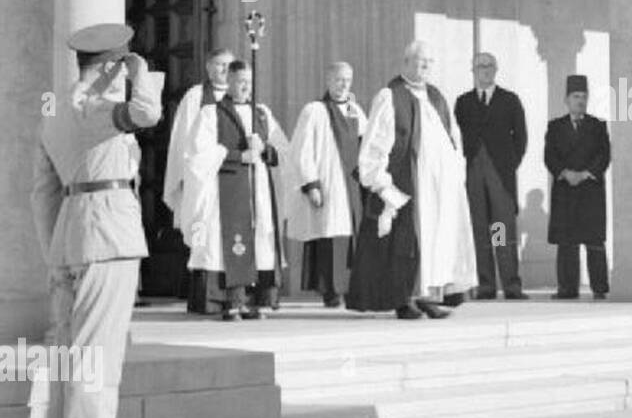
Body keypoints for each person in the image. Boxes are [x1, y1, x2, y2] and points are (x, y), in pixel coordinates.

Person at [30, 23, 163, 418]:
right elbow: (147, 113)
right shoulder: (98, 108)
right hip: (108, 235)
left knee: (71, 350)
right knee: (97, 353)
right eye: (122, 65)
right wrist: (142, 70)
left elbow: (41, 194)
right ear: (111, 66)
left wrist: (55, 249)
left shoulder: (56, 113)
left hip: (72, 233)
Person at [347, 40, 476, 319]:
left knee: (435, 240)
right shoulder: (390, 95)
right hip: (406, 184)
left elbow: (455, 139)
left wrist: (457, 173)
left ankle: (429, 293)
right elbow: (375, 144)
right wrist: (382, 184)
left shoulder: (437, 97)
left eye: (429, 61)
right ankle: (403, 298)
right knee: (408, 243)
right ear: (405, 63)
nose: (426, 66)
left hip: (438, 186)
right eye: (420, 61)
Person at [184, 61, 290, 320]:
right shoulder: (211, 113)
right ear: (229, 81)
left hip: (259, 189)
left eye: (249, 81)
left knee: (260, 241)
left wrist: (265, 149)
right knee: (230, 243)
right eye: (240, 81)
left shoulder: (262, 113)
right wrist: (238, 156)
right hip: (227, 188)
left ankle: (253, 301)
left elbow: (285, 152)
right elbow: (198, 155)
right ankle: (230, 301)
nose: (246, 86)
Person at [286, 61, 368, 307]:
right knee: (330, 237)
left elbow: (368, 142)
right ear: (328, 80)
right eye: (338, 79)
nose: (343, 85)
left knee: (351, 236)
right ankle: (331, 291)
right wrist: (311, 184)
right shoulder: (315, 111)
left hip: (353, 185)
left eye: (347, 80)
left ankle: (351, 286)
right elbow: (302, 149)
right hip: (330, 182)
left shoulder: (355, 111)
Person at [453, 52, 528, 300]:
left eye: (489, 66)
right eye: (479, 66)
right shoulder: (462, 102)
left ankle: (510, 285)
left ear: (496, 70)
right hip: (473, 172)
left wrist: (508, 165)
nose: (484, 70)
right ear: (472, 71)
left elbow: (521, 138)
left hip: (500, 176)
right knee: (479, 228)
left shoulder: (509, 100)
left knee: (501, 229)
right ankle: (485, 285)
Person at [164, 47, 232, 315]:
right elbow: (183, 138)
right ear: (208, 67)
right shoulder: (195, 97)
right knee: (202, 233)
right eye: (218, 64)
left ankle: (232, 294)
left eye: (228, 65)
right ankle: (204, 297)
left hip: (230, 177)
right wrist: (185, 174)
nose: (223, 70)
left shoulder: (238, 94)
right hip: (202, 177)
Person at [544, 75, 610, 300]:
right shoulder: (555, 127)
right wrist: (565, 173)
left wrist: (584, 174)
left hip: (590, 189)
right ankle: (567, 288)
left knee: (594, 242)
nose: (580, 101)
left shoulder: (598, 126)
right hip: (565, 189)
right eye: (576, 97)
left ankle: (599, 288)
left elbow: (604, 155)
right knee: (567, 242)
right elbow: (549, 156)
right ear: (566, 99)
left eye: (584, 97)